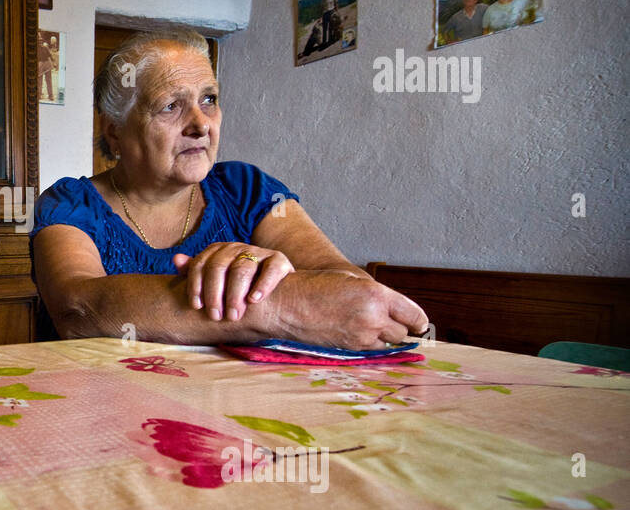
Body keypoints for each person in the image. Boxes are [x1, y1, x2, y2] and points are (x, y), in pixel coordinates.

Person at [31, 30, 428, 350]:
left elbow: (350, 289)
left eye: (209, 100)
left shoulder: (246, 189)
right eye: (171, 105)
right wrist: (271, 306)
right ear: (114, 130)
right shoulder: (70, 203)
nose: (201, 124)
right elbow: (79, 308)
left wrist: (262, 274)